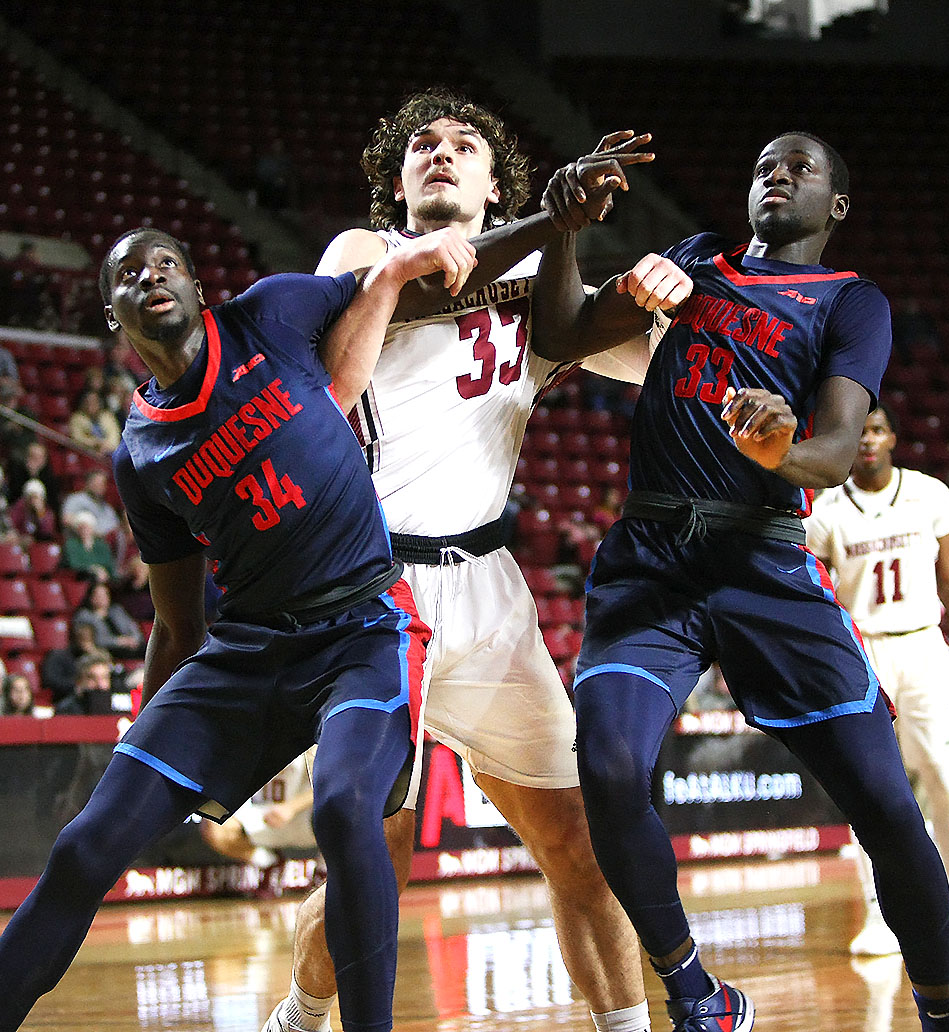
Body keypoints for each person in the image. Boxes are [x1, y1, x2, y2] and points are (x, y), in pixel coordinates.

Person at [0, 220, 478, 1032]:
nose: (151, 274)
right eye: (130, 272)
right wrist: (144, 749)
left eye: (167, 262)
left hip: (364, 626)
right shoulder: (138, 456)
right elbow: (174, 620)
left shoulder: (270, 314)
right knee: (84, 848)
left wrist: (554, 217)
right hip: (249, 649)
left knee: (343, 809)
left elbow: (422, 272)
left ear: (199, 287)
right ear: (112, 315)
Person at [535, 132, 949, 1032]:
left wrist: (784, 451)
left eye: (802, 167)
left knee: (890, 811)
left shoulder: (852, 303)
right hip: (652, 559)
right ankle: (697, 994)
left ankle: (942, 1010)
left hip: (764, 561)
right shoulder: (694, 260)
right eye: (764, 165)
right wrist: (563, 227)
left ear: (837, 206)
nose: (777, 174)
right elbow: (562, 334)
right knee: (609, 768)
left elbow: (837, 449)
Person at [263, 91, 665, 1032]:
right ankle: (299, 1013)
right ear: (396, 180)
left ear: (495, 183)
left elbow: (650, 361)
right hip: (374, 589)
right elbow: (374, 331)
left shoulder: (543, 281)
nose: (440, 154)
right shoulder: (365, 255)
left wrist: (680, 305)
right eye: (422, 147)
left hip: (488, 593)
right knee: (379, 859)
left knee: (577, 841)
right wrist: (555, 229)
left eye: (465, 145)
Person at [805, 405, 949, 956]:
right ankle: (880, 917)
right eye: (859, 430)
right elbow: (813, 588)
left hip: (923, 646)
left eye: (878, 430)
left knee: (941, 778)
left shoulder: (930, 493)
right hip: (865, 654)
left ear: (893, 438)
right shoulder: (828, 509)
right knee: (873, 790)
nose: (867, 439)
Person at [200, 755, 318, 875]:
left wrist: (291, 807)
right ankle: (269, 866)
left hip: (305, 814)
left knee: (333, 810)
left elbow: (329, 783)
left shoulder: (311, 741)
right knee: (215, 824)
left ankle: (327, 871)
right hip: (262, 812)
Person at [73, 580, 146, 659]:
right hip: (107, 649)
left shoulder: (117, 611)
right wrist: (119, 642)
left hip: (130, 646)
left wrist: (134, 639)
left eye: (105, 594)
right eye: (98, 595)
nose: (102, 598)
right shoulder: (84, 616)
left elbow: (132, 627)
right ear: (91, 597)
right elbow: (93, 641)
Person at [60, 467, 120, 538]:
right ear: (88, 483)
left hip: (103, 544)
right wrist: (88, 530)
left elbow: (116, 528)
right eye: (96, 482)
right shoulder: (76, 499)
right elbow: (66, 519)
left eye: (102, 483)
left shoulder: (107, 508)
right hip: (80, 541)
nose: (99, 486)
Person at [61, 509, 116, 582]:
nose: (85, 530)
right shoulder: (71, 544)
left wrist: (104, 572)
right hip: (81, 580)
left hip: (103, 580)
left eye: (87, 527)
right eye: (82, 527)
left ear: (93, 529)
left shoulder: (102, 545)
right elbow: (74, 565)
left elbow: (109, 565)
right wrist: (94, 569)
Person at [68, 386, 122, 455]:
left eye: (94, 402)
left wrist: (106, 446)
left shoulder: (107, 416)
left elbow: (115, 435)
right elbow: (77, 438)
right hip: (88, 454)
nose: (91, 405)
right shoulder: (76, 419)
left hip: (110, 451)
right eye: (88, 402)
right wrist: (95, 443)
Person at [8, 477, 58, 547]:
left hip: (39, 545)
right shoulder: (19, 508)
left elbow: (47, 532)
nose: (33, 501)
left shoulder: (47, 512)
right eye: (30, 497)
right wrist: (20, 538)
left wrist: (40, 512)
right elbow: (11, 525)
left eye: (35, 497)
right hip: (21, 542)